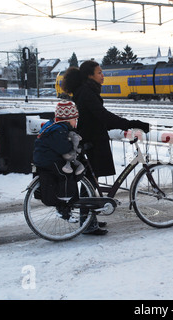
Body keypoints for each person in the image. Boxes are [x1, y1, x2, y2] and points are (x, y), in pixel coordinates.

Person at [61, 60, 150, 235]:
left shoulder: (86, 91)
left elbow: (98, 118)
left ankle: (88, 221)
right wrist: (132, 123)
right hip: (89, 144)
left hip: (88, 141)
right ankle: (87, 224)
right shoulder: (87, 93)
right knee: (87, 183)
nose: (103, 76)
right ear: (90, 75)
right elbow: (104, 117)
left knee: (89, 182)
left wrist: (123, 124)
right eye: (99, 72)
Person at [32, 100, 82, 223]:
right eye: (74, 120)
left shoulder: (54, 125)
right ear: (67, 119)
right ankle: (63, 205)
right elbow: (63, 148)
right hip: (49, 160)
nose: (76, 123)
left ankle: (66, 204)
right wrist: (74, 145)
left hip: (43, 158)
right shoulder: (58, 131)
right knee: (65, 174)